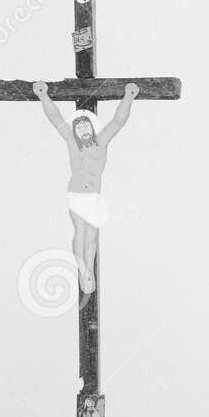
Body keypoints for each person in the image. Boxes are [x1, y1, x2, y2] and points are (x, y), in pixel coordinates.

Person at [32, 80, 138, 295]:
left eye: (86, 125)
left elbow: (118, 121)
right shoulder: (72, 142)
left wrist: (128, 97)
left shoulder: (101, 141)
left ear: (92, 127)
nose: (82, 129)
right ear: (75, 131)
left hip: (94, 196)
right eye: (78, 127)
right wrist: (43, 96)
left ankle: (88, 269)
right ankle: (82, 269)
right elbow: (56, 119)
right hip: (77, 193)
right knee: (80, 232)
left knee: (91, 237)